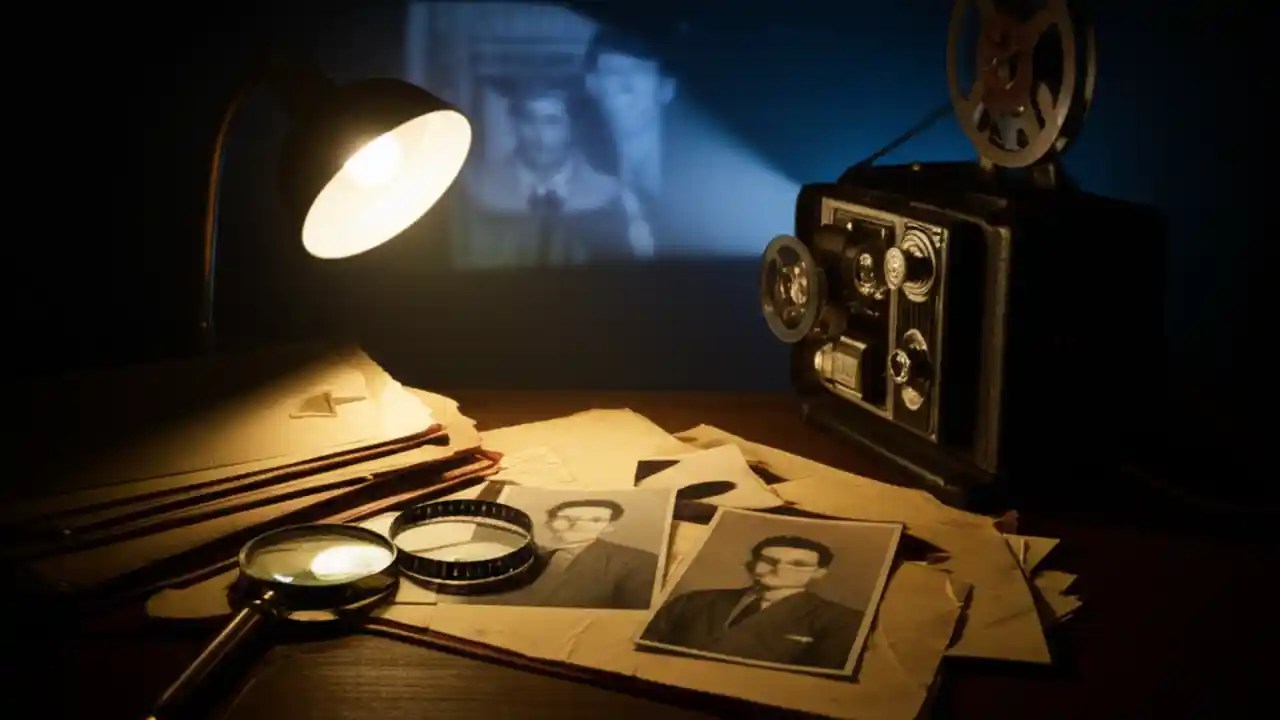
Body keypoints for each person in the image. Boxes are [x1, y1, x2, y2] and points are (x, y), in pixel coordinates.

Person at [461, 78, 648, 267]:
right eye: (529, 120)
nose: (539, 135)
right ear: (514, 124)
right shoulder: (477, 192)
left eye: (552, 122)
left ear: (571, 127)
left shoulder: (608, 196)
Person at [641, 535, 864, 670]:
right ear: (752, 564)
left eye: (798, 564)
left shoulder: (842, 620)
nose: (780, 569)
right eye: (769, 561)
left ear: (819, 573)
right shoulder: (693, 600)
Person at [583, 28, 675, 253]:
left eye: (640, 71)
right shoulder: (580, 173)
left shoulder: (706, 176)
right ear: (592, 85)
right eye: (613, 72)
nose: (626, 87)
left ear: (666, 88)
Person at [481, 498, 659, 609]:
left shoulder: (637, 562)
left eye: (595, 520)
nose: (578, 525)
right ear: (550, 523)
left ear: (608, 527)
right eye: (566, 518)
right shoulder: (518, 555)